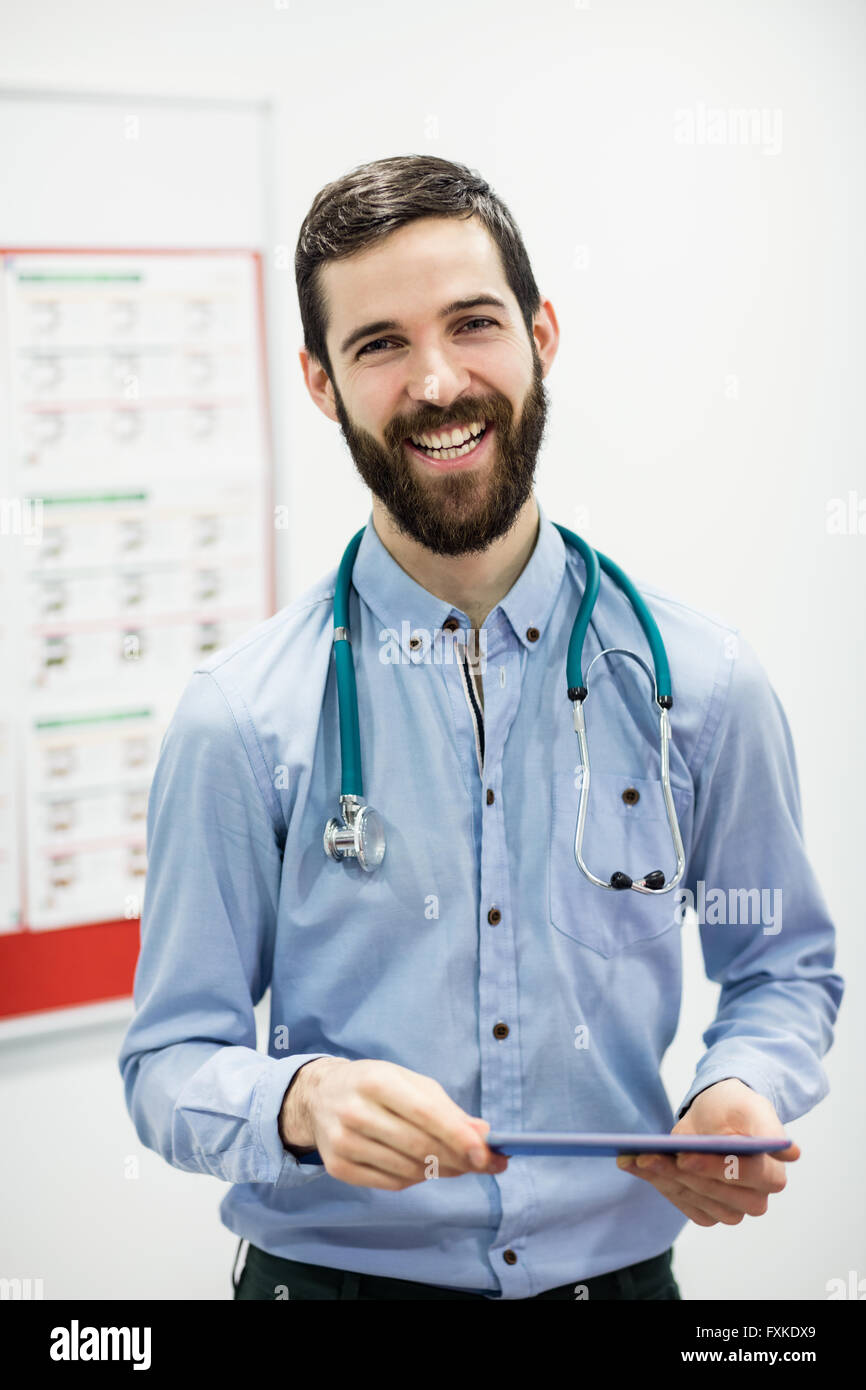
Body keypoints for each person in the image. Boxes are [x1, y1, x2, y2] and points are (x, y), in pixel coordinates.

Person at [118, 154, 844, 1301]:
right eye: (379, 345)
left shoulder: (699, 686)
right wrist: (296, 1101)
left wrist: (739, 1083)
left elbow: (783, 967)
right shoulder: (241, 719)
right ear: (320, 383)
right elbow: (164, 1064)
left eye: (472, 323)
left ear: (541, 332)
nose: (438, 381)